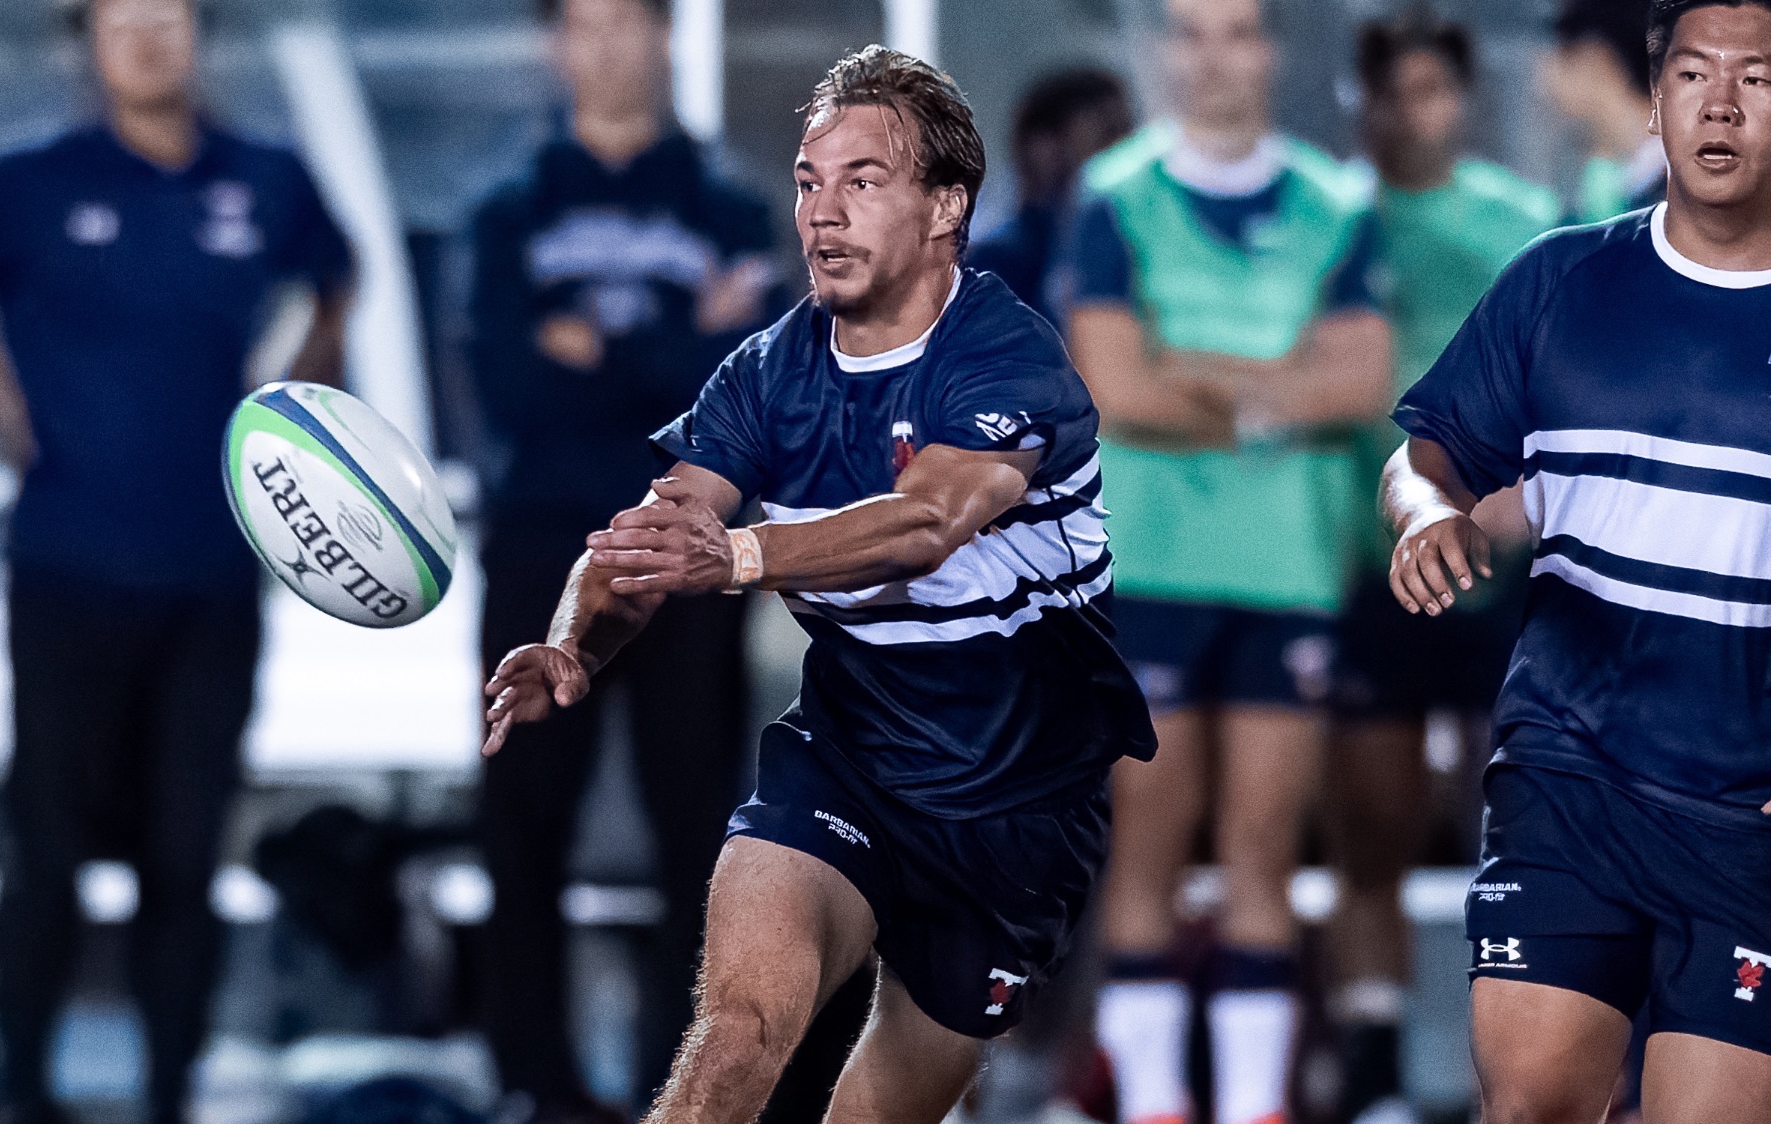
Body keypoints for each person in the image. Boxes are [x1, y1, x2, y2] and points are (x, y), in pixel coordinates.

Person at [482, 45, 1155, 1124]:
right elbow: (659, 530)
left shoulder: (1007, 356)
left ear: (946, 207)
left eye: (861, 182)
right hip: (845, 755)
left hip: (1013, 803)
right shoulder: (766, 370)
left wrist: (740, 555)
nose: (822, 215)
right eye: (806, 182)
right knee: (736, 1033)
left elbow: (925, 521)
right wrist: (575, 641)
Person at [0, 1, 353, 1122]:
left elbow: (337, 276)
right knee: (47, 851)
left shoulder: (265, 180)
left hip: (212, 577)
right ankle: (29, 1093)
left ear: (200, 33)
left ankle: (168, 1093)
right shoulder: (27, 182)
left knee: (184, 858)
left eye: (171, 14)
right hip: (67, 568)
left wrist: (289, 416)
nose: (149, 34)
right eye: (123, 15)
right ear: (82, 36)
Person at [1386, 0, 1771, 1118]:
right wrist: (1421, 515)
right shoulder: (1556, 282)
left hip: (1746, 815)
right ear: (1652, 100)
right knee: (1531, 1100)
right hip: (1567, 774)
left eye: (1755, 76)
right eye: (1692, 73)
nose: (1719, 101)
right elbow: (1423, 457)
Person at [1057, 0, 1392, 1120]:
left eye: (1236, 32)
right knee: (1146, 838)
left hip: (1285, 563)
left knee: (1262, 840)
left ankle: (1253, 1103)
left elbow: (1361, 379)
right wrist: (1272, 392)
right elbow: (1114, 385)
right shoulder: (1115, 196)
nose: (1213, 57)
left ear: (1269, 52)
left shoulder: (1336, 202)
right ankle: (1150, 1099)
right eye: (1190, 34)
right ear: (1159, 51)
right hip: (1148, 563)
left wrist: (1191, 370)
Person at [466, 0, 782, 1117]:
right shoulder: (508, 209)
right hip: (542, 544)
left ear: (661, 36)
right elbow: (508, 384)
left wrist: (592, 346)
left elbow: (744, 394)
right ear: (553, 42)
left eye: (627, 21)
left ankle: (683, 1080)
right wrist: (671, 336)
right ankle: (532, 1082)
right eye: (582, 24)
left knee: (700, 830)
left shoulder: (728, 203)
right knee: (524, 820)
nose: (605, 46)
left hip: (685, 551)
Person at [1328, 15, 1560, 1124]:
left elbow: (1562, 396)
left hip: (1500, 567)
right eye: (1388, 92)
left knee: (1510, 827)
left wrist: (1510, 512)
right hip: (1356, 569)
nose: (1407, 113)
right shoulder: (1322, 218)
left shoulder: (1523, 227)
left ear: (1458, 100)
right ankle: (1369, 1066)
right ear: (1357, 101)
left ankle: (1507, 1073)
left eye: (1428, 91)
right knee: (1366, 821)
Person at [968, 67, 1135, 322]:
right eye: (1107, 133)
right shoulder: (992, 270)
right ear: (1041, 147)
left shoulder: (1141, 254)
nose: (1125, 149)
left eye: (1126, 131)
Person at [1542, 0, 1667, 222]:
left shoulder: (1674, 198)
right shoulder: (1627, 183)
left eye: (1560, 57)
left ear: (1594, 60)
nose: (1543, 82)